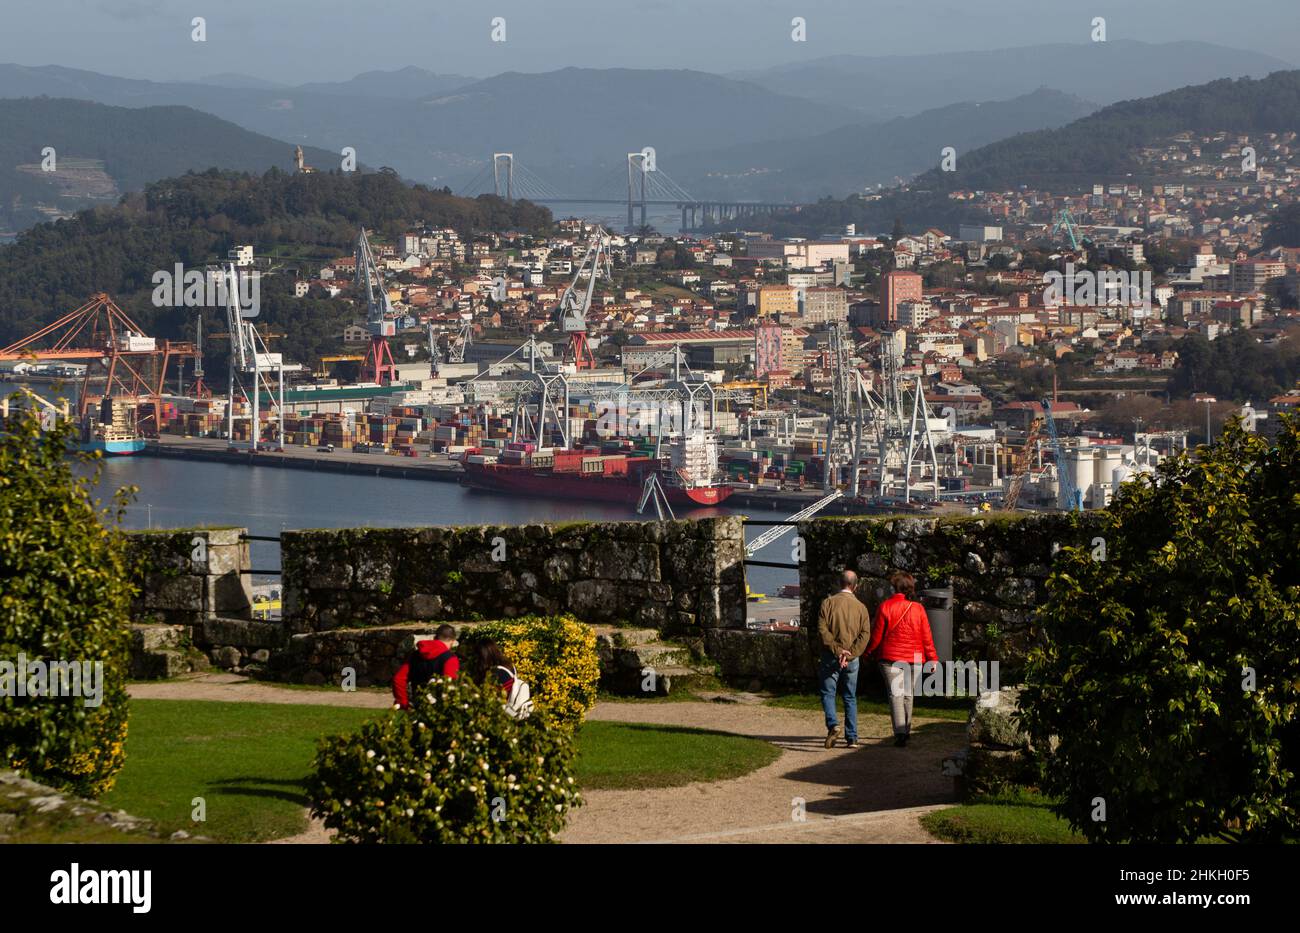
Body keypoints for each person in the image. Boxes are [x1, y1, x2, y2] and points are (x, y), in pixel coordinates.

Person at [865, 571, 938, 747]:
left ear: (894, 587)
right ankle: (906, 729)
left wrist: (868, 653)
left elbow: (876, 636)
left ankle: (900, 733)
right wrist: (933, 658)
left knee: (896, 695)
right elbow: (926, 637)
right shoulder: (918, 609)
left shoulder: (885, 607)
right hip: (915, 659)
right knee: (908, 695)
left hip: (891, 658)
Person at [816, 569, 872, 749]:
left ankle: (833, 724)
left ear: (840, 583)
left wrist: (837, 651)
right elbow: (865, 635)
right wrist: (851, 653)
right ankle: (852, 737)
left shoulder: (828, 603)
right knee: (850, 696)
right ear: (855, 586)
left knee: (828, 693)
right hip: (851, 659)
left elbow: (823, 631)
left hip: (830, 656)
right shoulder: (861, 608)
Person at [391, 624, 459, 710]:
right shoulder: (450, 658)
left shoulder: (415, 655)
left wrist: (403, 702)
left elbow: (398, 679)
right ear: (453, 641)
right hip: (440, 708)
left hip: (418, 704)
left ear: (435, 638)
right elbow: (450, 684)